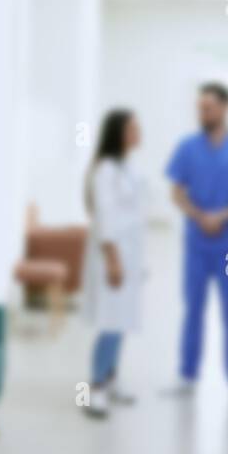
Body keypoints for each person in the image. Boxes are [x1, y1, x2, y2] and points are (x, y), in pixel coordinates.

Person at [164, 82, 228, 398]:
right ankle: (187, 374)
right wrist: (199, 216)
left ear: (225, 108)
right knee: (193, 307)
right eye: (199, 107)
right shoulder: (187, 147)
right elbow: (176, 192)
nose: (202, 112)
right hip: (197, 245)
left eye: (207, 107)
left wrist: (221, 216)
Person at [81, 109, 145, 418]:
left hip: (128, 255)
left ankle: (111, 379)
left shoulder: (126, 167)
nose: (139, 132)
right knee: (110, 324)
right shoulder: (105, 170)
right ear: (118, 132)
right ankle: (92, 390)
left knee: (121, 323)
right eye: (133, 128)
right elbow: (105, 219)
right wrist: (114, 261)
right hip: (112, 256)